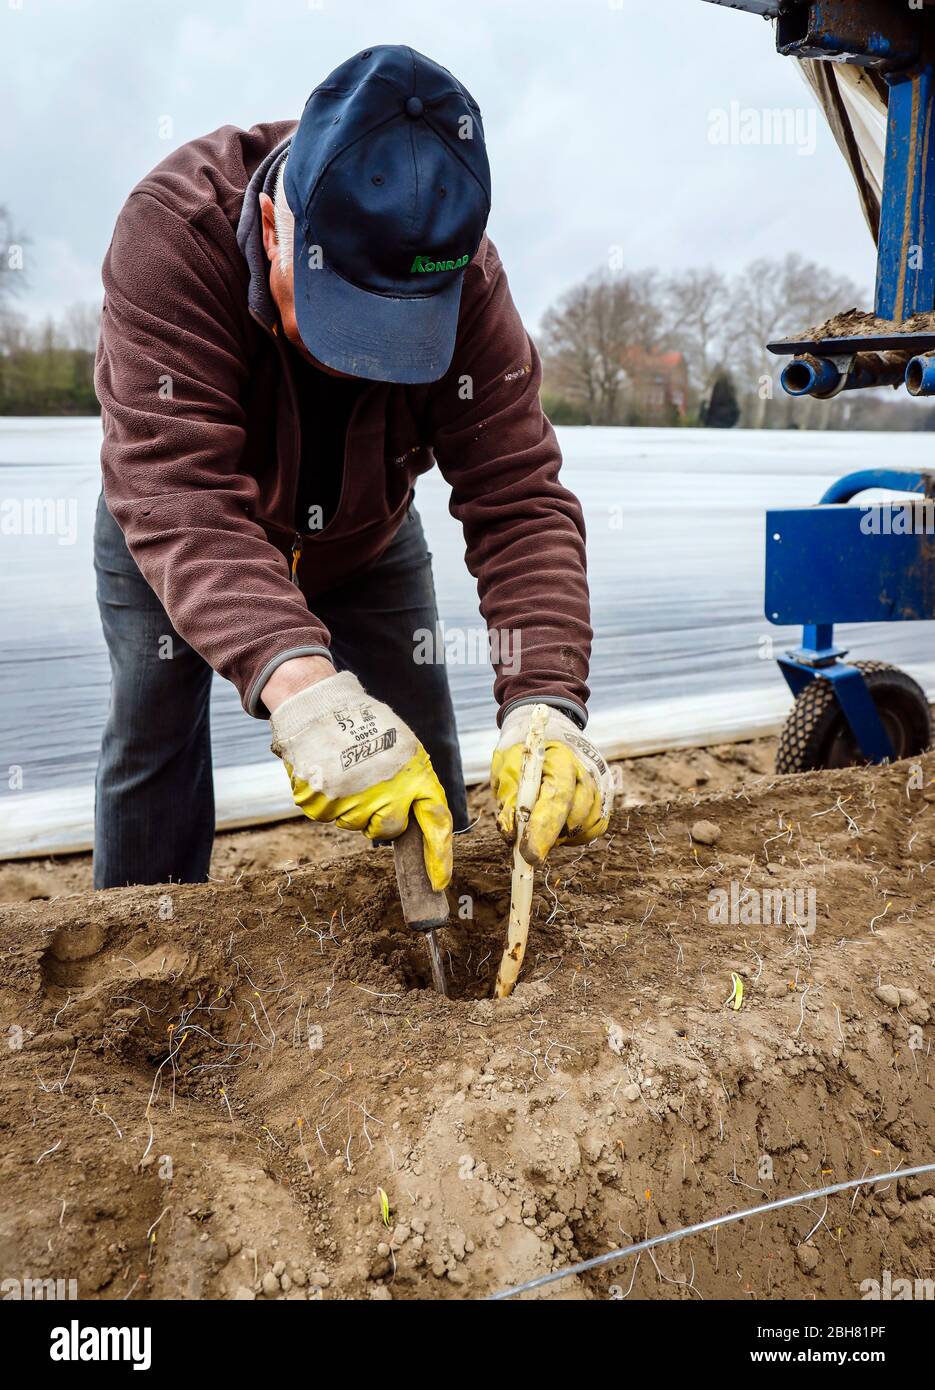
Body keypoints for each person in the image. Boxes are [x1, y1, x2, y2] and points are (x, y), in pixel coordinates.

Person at [93, 44, 611, 891]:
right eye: (342, 320)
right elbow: (178, 489)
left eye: (401, 333)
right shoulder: (172, 232)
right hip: (175, 525)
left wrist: (545, 702)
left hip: (366, 537)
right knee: (152, 739)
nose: (365, 364)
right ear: (273, 226)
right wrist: (302, 688)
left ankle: (441, 952)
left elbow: (517, 496)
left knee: (424, 760)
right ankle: (141, 944)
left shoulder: (468, 279)